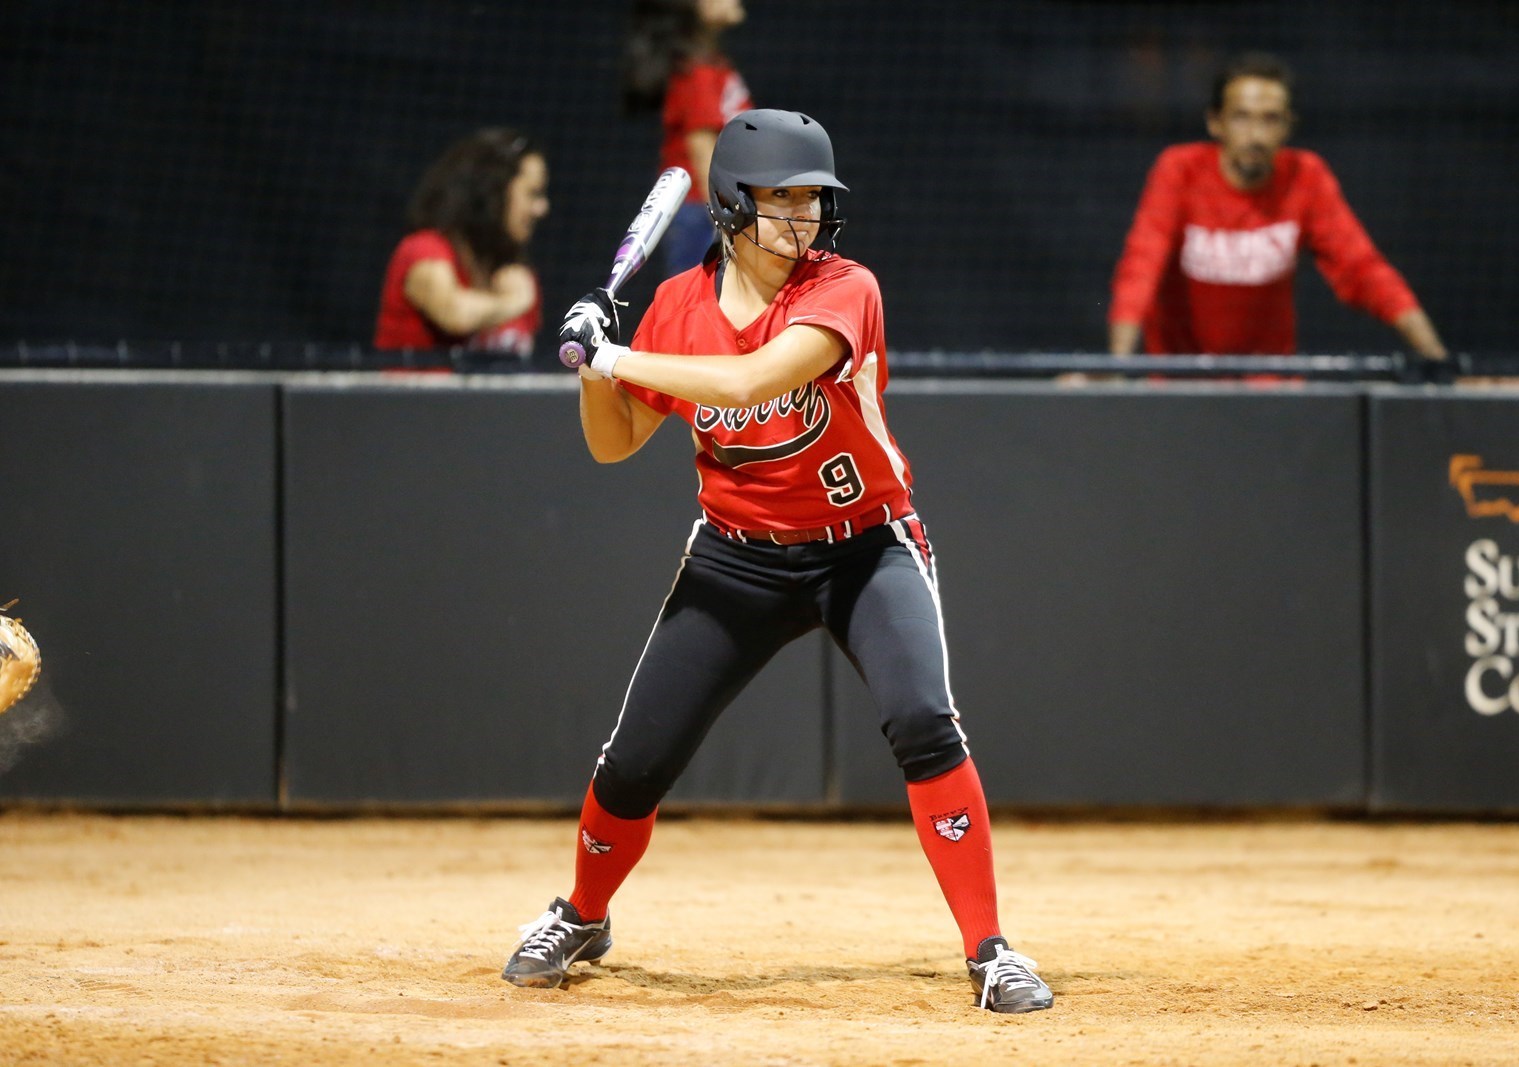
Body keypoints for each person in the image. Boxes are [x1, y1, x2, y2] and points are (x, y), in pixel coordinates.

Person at [501, 109, 1054, 1015]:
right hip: (737, 557)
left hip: (867, 546)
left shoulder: (845, 287)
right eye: (782, 202)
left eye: (813, 202)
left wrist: (620, 347)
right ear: (729, 206)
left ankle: (991, 950)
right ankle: (582, 913)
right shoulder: (679, 304)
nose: (805, 222)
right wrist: (594, 370)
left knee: (923, 717)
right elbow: (613, 443)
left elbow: (749, 380)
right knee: (636, 758)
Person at [1108, 52, 1447, 361]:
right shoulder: (1179, 170)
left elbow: (1361, 269)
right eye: (1241, 118)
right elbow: (1142, 264)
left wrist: (1435, 356)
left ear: (1288, 127)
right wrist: (1118, 365)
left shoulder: (1306, 176)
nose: (1255, 135)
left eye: (1270, 120)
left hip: (1269, 382)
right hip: (1179, 379)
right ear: (1216, 122)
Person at [373, 128, 549, 355]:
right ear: (492, 191)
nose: (542, 208)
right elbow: (453, 313)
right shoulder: (424, 249)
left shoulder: (514, 271)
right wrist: (514, 302)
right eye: (532, 194)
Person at [622, 0, 752, 277]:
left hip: (713, 211)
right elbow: (703, 153)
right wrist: (727, 222)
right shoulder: (696, 74)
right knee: (701, 310)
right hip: (704, 213)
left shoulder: (713, 66)